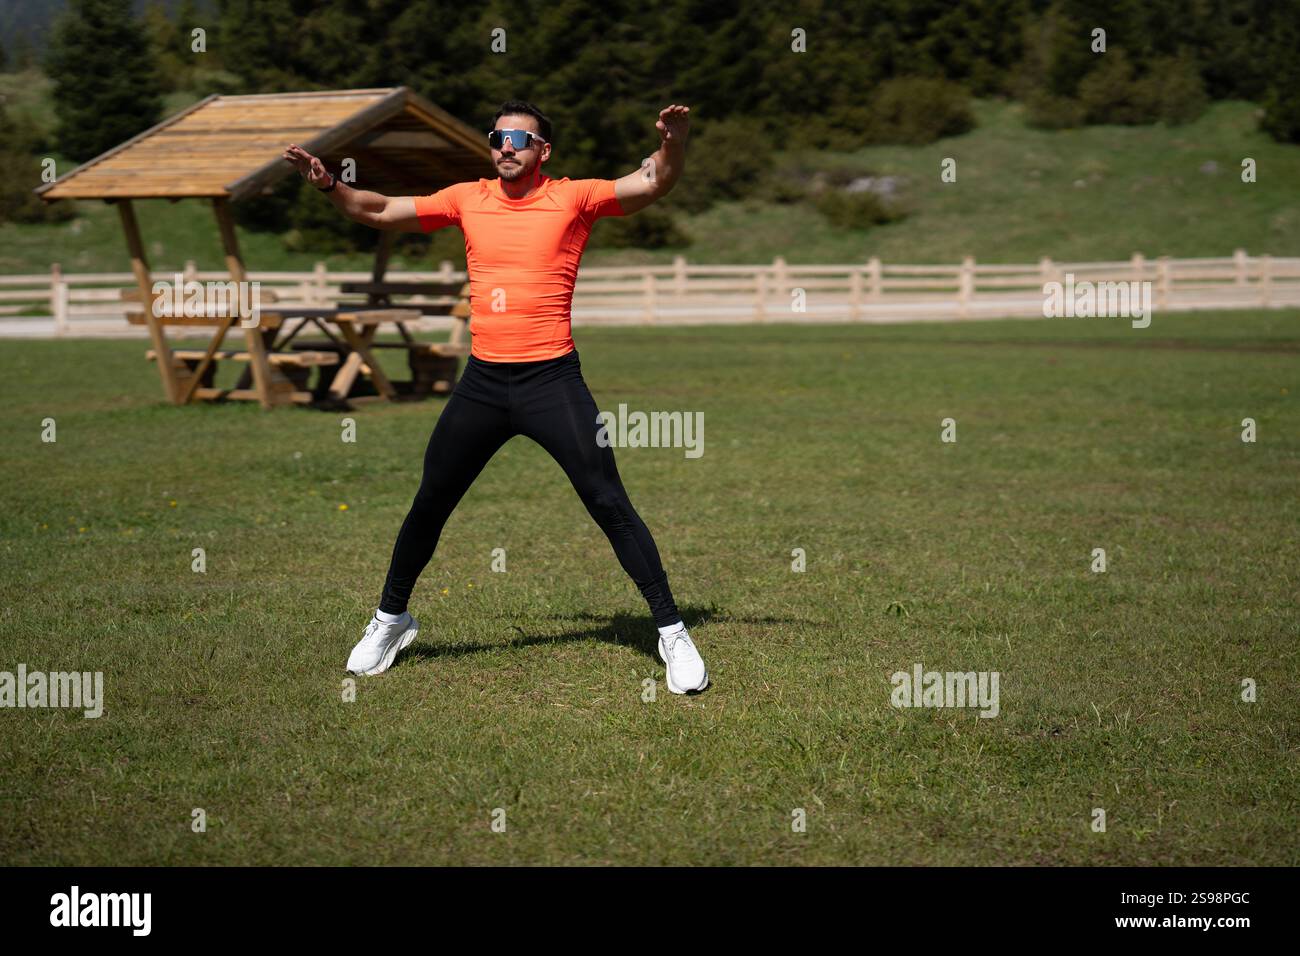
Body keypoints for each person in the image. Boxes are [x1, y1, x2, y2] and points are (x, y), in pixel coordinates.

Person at [282, 100, 708, 693]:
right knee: (431, 501)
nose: (506, 146)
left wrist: (674, 141)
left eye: (519, 138)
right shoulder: (465, 198)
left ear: (543, 151)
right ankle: (391, 619)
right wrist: (328, 182)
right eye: (496, 137)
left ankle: (671, 630)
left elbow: (656, 179)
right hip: (482, 384)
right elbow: (374, 209)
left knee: (607, 500)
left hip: (552, 381)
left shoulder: (576, 197)